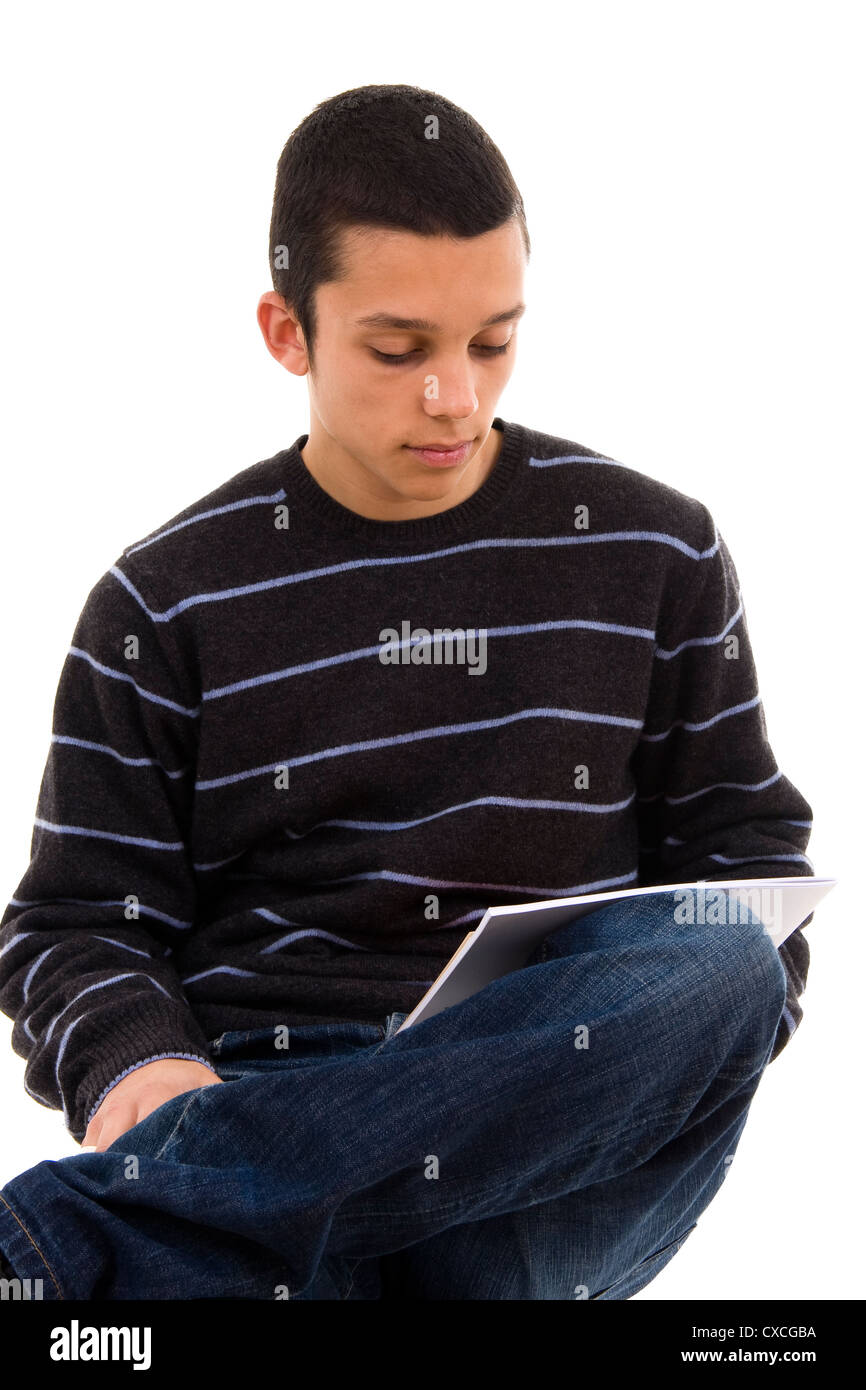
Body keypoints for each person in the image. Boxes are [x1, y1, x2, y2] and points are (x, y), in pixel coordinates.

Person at [0, 83, 814, 1301]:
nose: (456, 399)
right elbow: (75, 926)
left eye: (492, 340)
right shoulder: (163, 601)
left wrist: (619, 1074)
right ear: (287, 332)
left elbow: (748, 860)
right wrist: (141, 1074)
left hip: (551, 1128)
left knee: (722, 960)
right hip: (276, 1073)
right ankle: (273, 1219)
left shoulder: (655, 551)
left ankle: (177, 1220)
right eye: (400, 350)